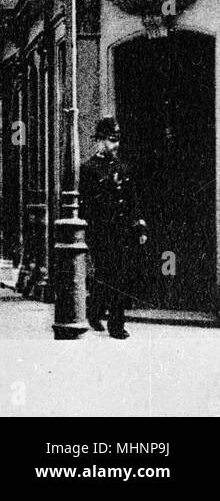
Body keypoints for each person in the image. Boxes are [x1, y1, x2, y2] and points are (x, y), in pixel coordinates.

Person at [81, 117, 145, 340]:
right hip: (100, 232)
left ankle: (97, 313)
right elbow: (86, 205)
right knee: (109, 275)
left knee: (115, 276)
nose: (115, 145)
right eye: (110, 140)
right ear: (99, 141)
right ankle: (114, 325)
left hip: (122, 231)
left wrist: (139, 226)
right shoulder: (88, 169)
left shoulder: (123, 167)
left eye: (117, 140)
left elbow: (132, 199)